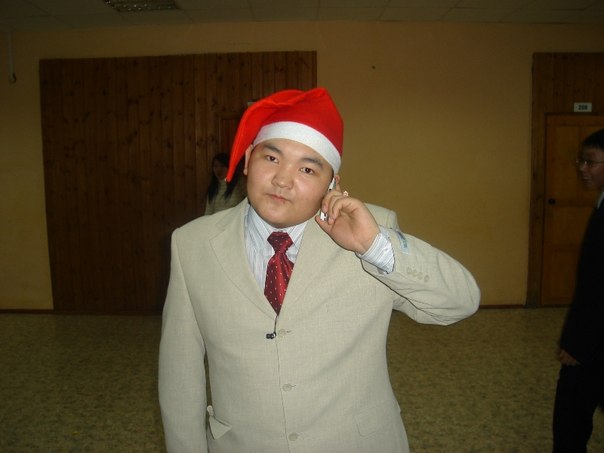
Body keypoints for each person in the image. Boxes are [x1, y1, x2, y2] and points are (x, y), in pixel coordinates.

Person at [159, 87, 480, 453]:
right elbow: (180, 373)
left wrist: (374, 246)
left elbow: (459, 303)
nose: (283, 180)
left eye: (307, 169)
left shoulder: (370, 233)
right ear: (248, 160)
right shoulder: (192, 243)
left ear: (332, 183)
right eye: (271, 158)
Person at [552, 128, 604, 453]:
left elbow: (597, 288)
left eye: (590, 162)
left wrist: (577, 342)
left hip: (593, 342)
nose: (583, 169)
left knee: (570, 416)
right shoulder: (601, 203)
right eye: (580, 161)